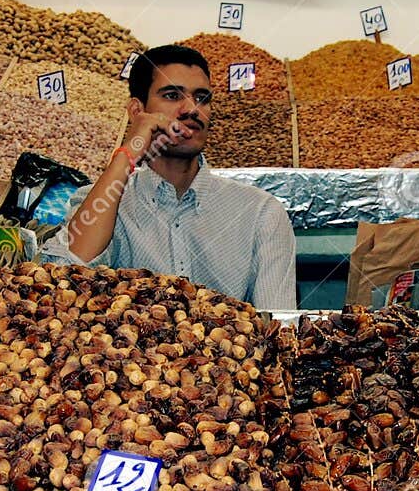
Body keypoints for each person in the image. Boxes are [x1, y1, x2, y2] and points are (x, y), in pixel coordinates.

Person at [41, 45, 298, 309]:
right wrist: (127, 154)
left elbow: (279, 327)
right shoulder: (102, 202)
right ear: (136, 110)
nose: (191, 109)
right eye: (173, 95)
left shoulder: (260, 213)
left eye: (202, 98)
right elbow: (62, 283)